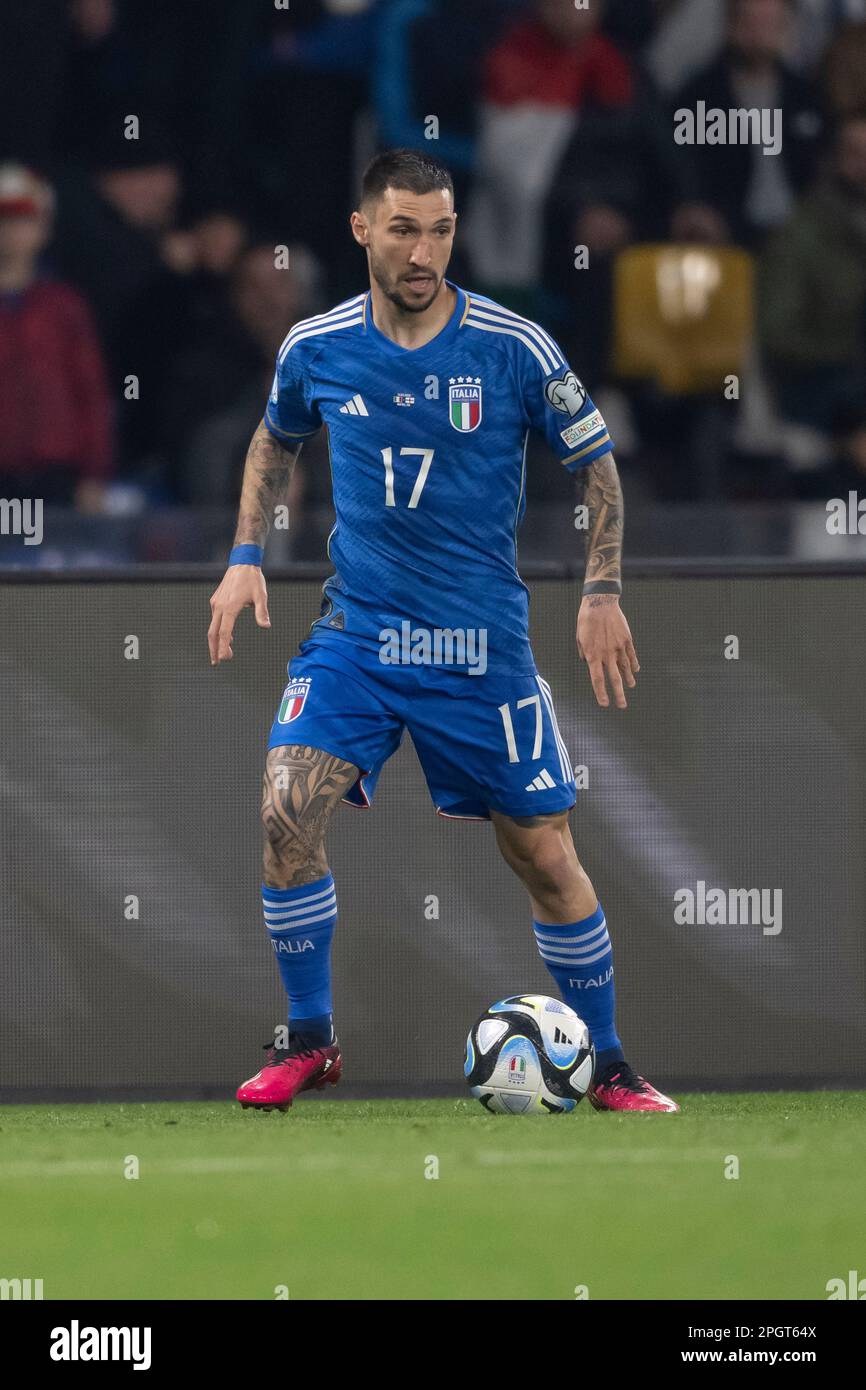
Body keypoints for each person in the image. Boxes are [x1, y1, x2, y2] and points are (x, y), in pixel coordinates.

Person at [207, 149, 678, 1115]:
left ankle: (613, 1063)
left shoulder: (512, 346)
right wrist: (245, 555)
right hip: (362, 635)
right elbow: (275, 436)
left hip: (479, 648)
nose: (425, 252)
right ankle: (310, 1041)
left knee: (543, 855)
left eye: (441, 230)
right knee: (283, 808)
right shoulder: (318, 346)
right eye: (404, 229)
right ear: (361, 231)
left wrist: (600, 590)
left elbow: (596, 464)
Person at [0, 163, 112, 508]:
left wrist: (94, 474)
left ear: (44, 229)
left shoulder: (64, 307)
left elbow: (90, 393)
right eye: (5, 221)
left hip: (57, 478)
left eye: (24, 221)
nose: (11, 233)